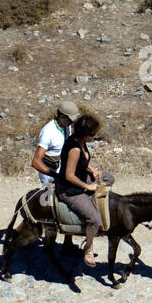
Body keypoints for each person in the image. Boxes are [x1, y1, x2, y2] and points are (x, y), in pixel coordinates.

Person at [55, 113, 114, 268]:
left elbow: (83, 161)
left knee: (109, 178)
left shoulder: (81, 142)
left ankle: (93, 201)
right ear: (84, 134)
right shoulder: (73, 148)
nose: (94, 137)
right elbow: (69, 175)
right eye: (92, 135)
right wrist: (88, 186)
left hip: (82, 177)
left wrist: (92, 170)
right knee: (95, 219)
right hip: (70, 189)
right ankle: (88, 247)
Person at [31, 100, 79, 183]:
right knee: (49, 194)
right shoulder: (48, 132)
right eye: (70, 120)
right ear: (62, 117)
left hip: (60, 166)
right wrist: (55, 175)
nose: (72, 123)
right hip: (48, 171)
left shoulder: (66, 126)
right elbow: (36, 162)